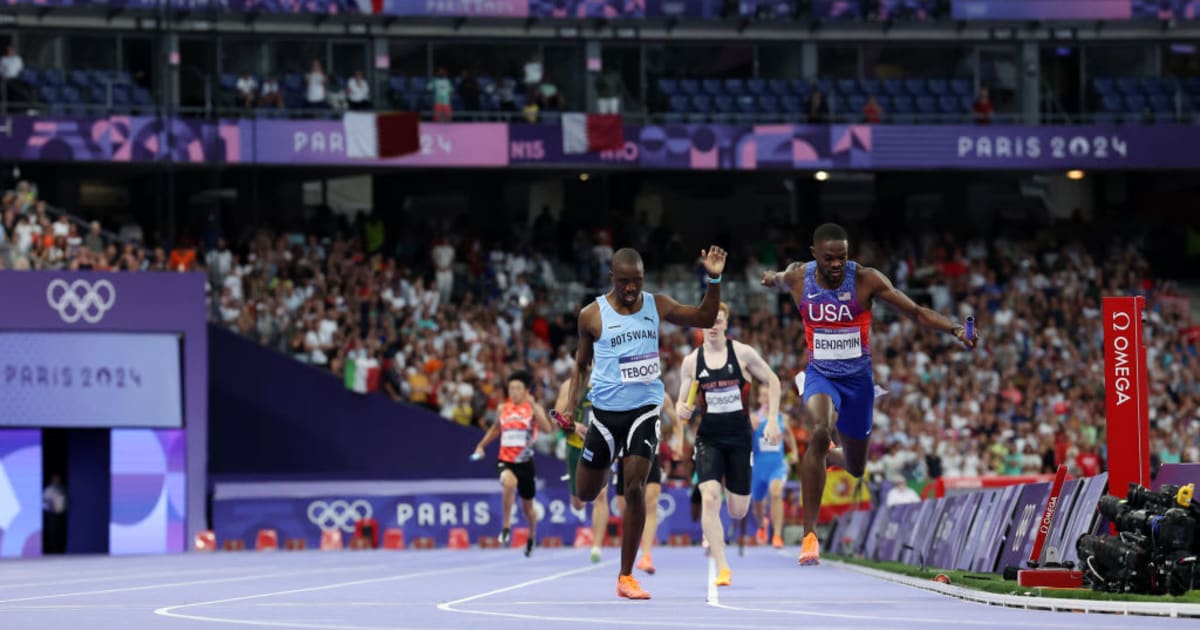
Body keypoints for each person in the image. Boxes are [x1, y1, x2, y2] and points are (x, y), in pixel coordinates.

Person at [760, 222, 977, 566]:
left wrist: (952, 328)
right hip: (821, 376)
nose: (836, 265)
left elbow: (916, 312)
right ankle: (809, 535)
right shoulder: (801, 277)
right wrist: (771, 276)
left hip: (859, 384)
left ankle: (833, 455)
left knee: (857, 467)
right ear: (815, 255)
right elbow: (780, 278)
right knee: (817, 433)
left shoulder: (865, 280)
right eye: (829, 259)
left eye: (842, 257)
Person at [557, 245, 727, 600]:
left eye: (637, 281)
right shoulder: (592, 315)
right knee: (586, 492)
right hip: (604, 415)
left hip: (645, 409)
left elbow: (705, 317)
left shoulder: (657, 304)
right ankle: (602, 464)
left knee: (634, 487)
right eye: (624, 282)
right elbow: (581, 365)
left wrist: (714, 278)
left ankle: (625, 576)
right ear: (611, 279)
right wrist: (571, 406)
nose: (632, 289)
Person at [676, 302, 782, 587]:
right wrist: (681, 411)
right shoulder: (691, 362)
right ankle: (723, 567)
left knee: (738, 510)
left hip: (739, 439)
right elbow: (680, 406)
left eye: (718, 320)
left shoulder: (742, 353)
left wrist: (772, 419)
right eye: (708, 320)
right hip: (708, 438)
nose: (713, 325)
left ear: (725, 323)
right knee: (709, 495)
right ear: (701, 325)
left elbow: (773, 380)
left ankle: (721, 520)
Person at [473, 369, 554, 557]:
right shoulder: (503, 408)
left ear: (526, 391)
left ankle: (532, 535)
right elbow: (495, 430)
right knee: (509, 482)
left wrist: (534, 406)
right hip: (505, 460)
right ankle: (506, 526)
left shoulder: (533, 407)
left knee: (528, 510)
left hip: (525, 463)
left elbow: (548, 429)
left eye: (518, 388)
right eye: (511, 388)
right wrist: (481, 446)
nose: (514, 392)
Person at [614, 391, 682, 575]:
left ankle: (646, 555)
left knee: (651, 502)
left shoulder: (661, 395)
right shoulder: (619, 392)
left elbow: (676, 422)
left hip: (651, 452)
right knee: (625, 507)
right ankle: (632, 551)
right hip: (624, 455)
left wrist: (678, 442)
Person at [554, 361, 610, 563]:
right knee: (578, 503)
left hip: (601, 446)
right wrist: (573, 425)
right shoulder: (570, 386)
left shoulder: (609, 382)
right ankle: (577, 497)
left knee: (601, 495)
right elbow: (557, 417)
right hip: (575, 447)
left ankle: (596, 546)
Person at [747, 384, 798, 549]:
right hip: (758, 467)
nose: (767, 399)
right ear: (760, 398)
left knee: (776, 493)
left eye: (770, 395)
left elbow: (789, 434)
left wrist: (795, 452)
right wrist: (750, 429)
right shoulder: (754, 418)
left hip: (777, 465)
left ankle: (776, 535)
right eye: (763, 396)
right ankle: (762, 525)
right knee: (758, 504)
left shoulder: (782, 418)